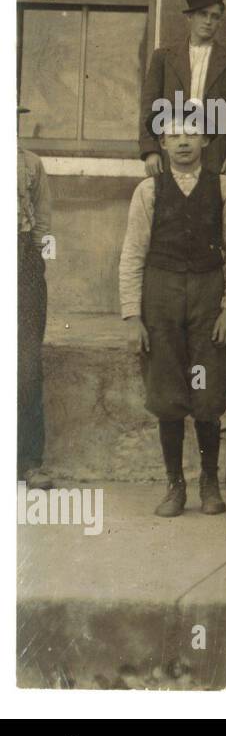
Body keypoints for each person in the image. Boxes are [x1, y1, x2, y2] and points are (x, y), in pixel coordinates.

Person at [119, 113, 226, 517]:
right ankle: (175, 485)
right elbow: (132, 254)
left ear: (207, 139)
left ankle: (209, 481)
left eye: (191, 133)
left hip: (208, 295)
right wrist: (131, 316)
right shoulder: (148, 190)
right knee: (166, 390)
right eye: (173, 134)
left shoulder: (224, 187)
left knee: (207, 392)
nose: (183, 141)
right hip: (160, 295)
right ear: (161, 142)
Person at [138, 0, 226, 178]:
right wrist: (151, 150)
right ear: (190, 17)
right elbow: (149, 106)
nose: (209, 22)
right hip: (172, 151)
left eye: (215, 17)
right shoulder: (163, 57)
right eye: (203, 14)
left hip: (217, 155)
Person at [18, 107, 53, 490]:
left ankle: (28, 461)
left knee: (26, 365)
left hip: (23, 260)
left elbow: (43, 223)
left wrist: (30, 258)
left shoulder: (31, 165)